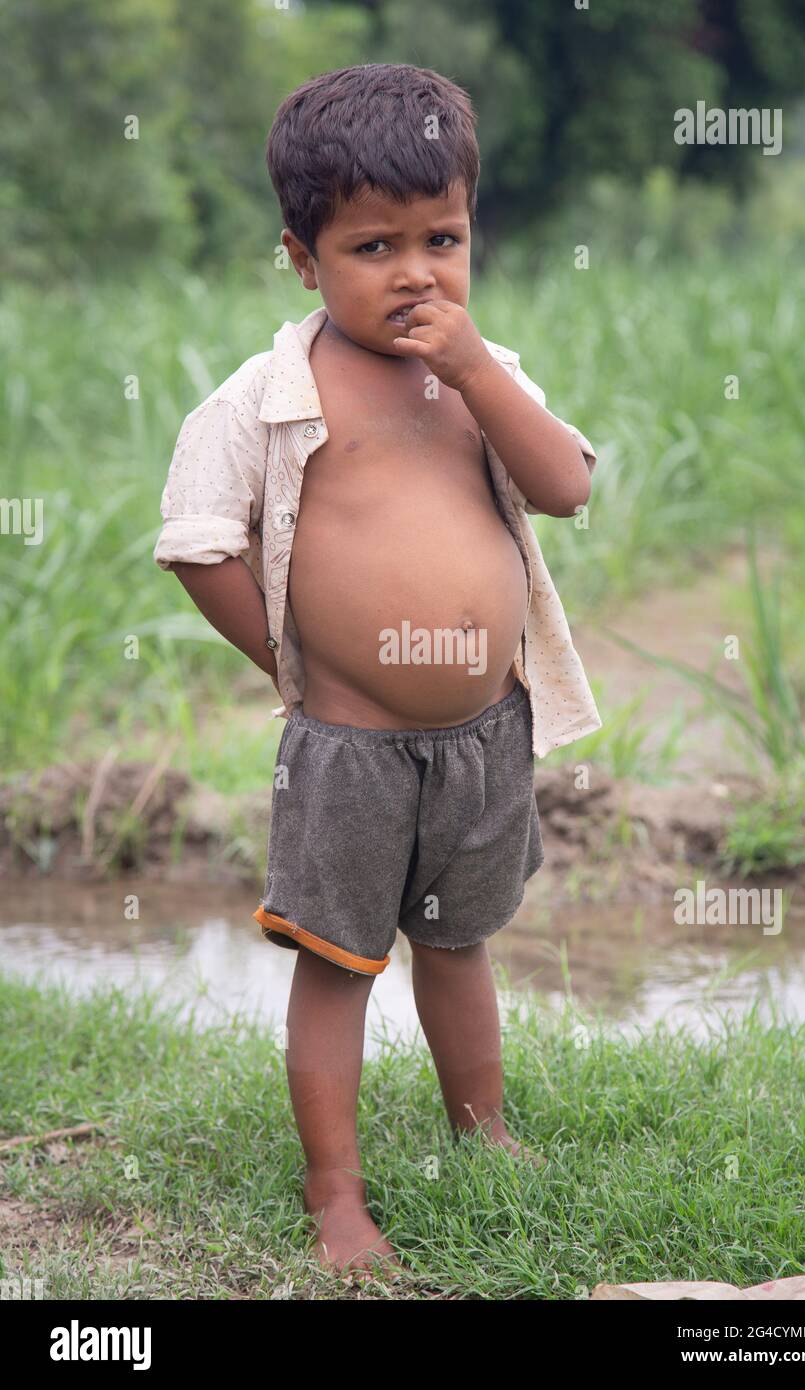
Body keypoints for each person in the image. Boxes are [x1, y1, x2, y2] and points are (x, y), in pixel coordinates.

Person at [153, 62, 602, 1282]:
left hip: (482, 739)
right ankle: (336, 1196)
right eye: (372, 247)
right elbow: (196, 542)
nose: (415, 273)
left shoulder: (482, 376)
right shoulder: (268, 399)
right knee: (338, 964)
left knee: (458, 945)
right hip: (349, 752)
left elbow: (565, 486)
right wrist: (292, 661)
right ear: (302, 259)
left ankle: (483, 1132)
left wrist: (477, 372)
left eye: (440, 239)